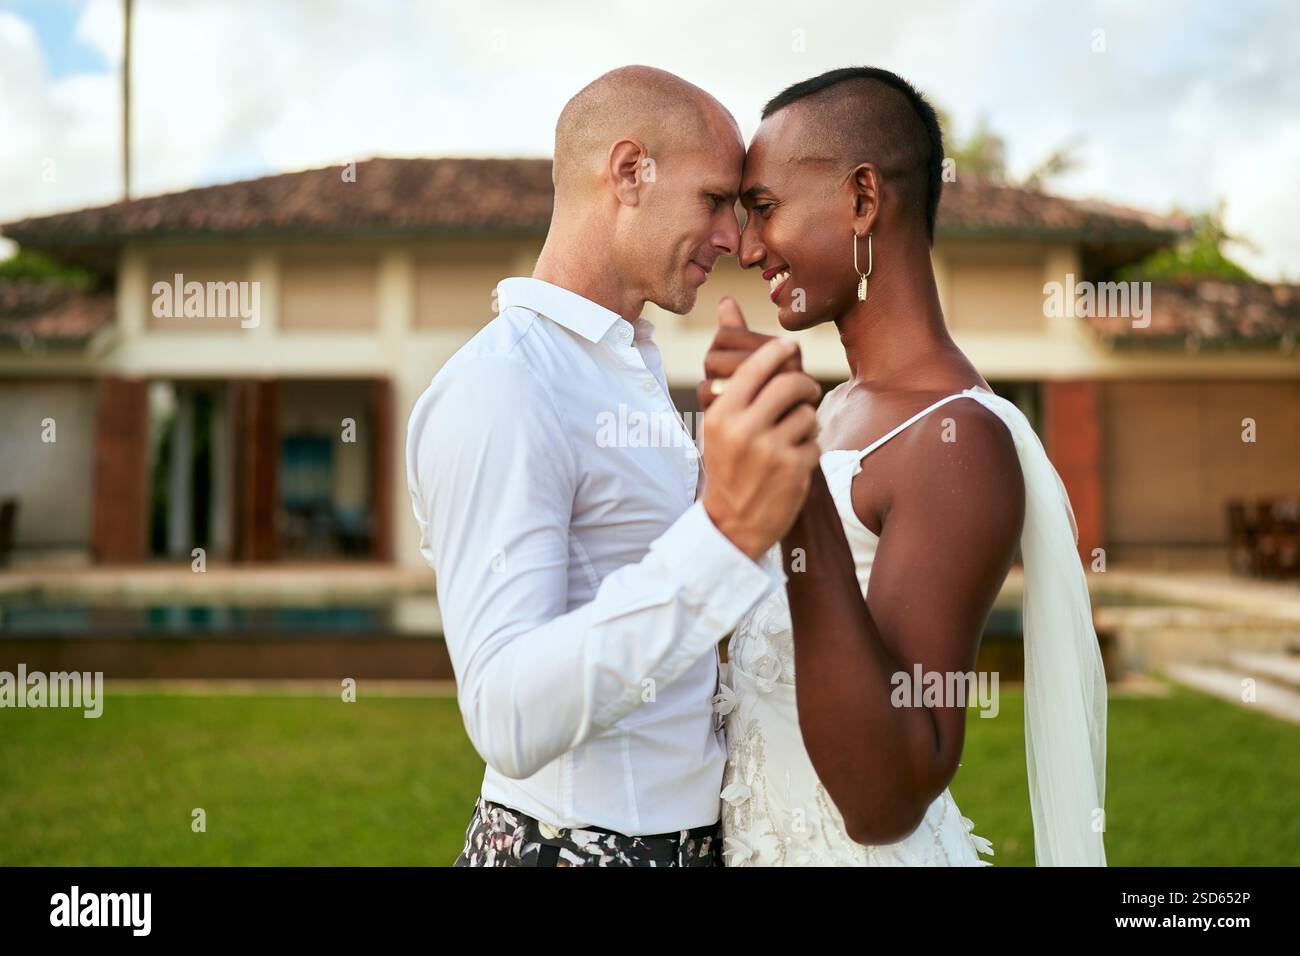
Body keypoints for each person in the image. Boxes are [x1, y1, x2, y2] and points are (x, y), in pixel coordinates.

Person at [405, 65, 822, 866]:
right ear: (631, 172)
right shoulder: (503, 386)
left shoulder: (624, 368)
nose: (735, 240)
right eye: (713, 202)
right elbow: (505, 714)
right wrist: (726, 527)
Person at [701, 67, 1108, 866]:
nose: (746, 248)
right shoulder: (834, 409)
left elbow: (886, 796)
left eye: (765, 209)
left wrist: (796, 481)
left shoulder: (956, 440)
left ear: (862, 199)